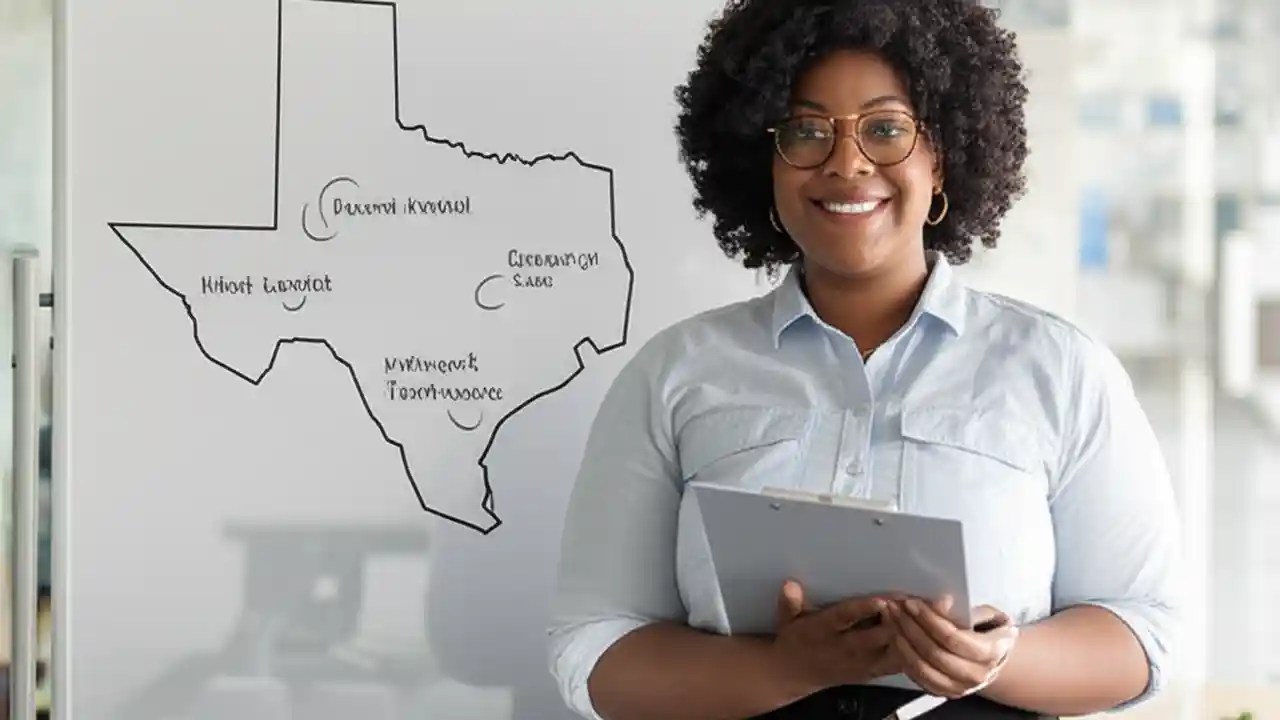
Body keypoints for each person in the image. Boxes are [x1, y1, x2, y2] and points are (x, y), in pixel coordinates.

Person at [547, 1, 1182, 718]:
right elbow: (594, 648)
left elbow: (1143, 634)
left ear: (943, 158)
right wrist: (783, 669)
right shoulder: (674, 374)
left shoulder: (1061, 371)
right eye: (807, 131)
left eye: (886, 129)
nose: (847, 163)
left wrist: (994, 659)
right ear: (765, 161)